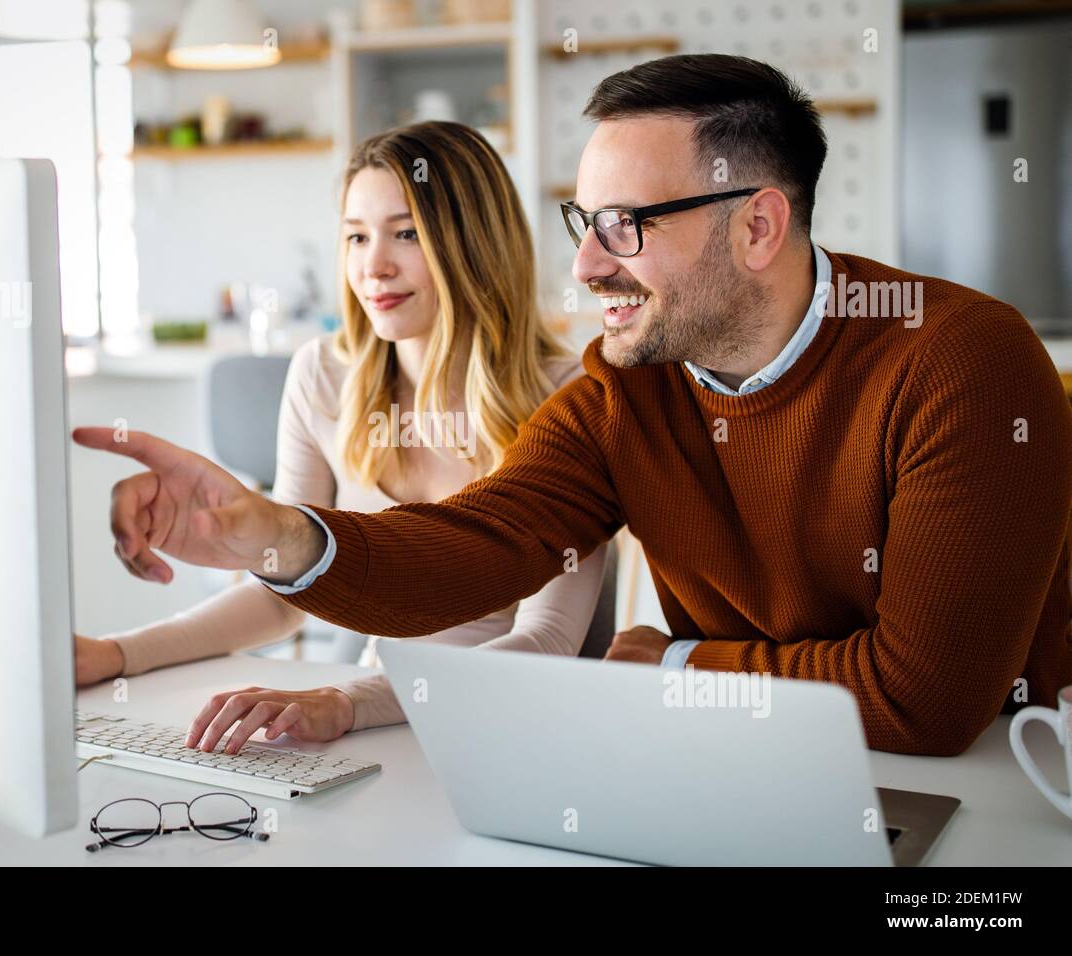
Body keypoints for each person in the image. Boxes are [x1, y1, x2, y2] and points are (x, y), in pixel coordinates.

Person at [74, 55, 1072, 758]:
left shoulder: (962, 361)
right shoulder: (622, 390)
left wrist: (671, 653)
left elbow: (925, 701)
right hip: (750, 746)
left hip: (997, 776)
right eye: (581, 223)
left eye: (624, 226)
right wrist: (277, 534)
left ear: (759, 225)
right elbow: (471, 548)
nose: (587, 264)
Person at [73, 120, 605, 751]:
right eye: (356, 236)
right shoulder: (323, 376)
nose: (373, 266)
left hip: (506, 726)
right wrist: (117, 654)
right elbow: (281, 596)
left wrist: (349, 701)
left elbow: (545, 642)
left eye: (406, 233)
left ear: (474, 242)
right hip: (378, 720)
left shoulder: (572, 395)